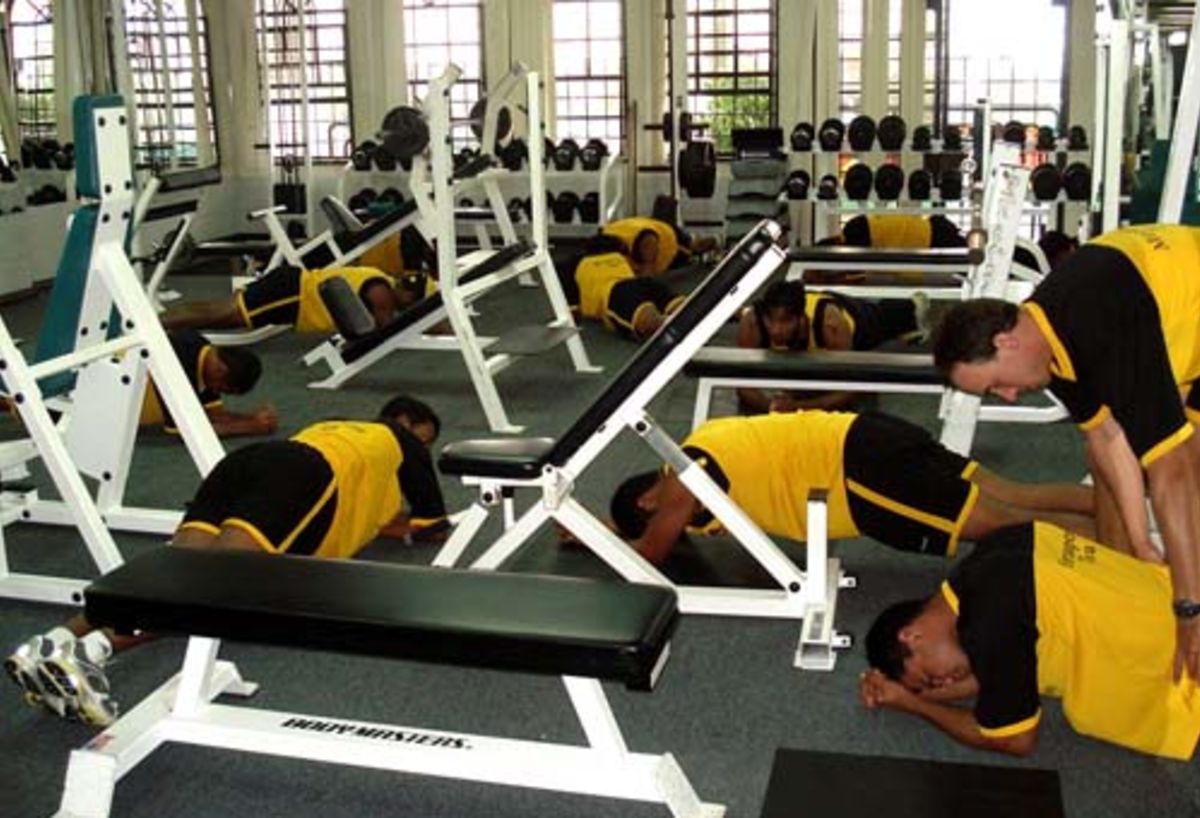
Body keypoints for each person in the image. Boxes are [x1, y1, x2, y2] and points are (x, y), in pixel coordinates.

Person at [4, 395, 447, 726]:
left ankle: (52, 640)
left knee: (174, 570)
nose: (422, 444)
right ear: (407, 421)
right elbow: (431, 524)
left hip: (248, 463)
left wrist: (378, 518)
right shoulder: (403, 440)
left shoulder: (335, 423)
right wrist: (393, 523)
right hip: (307, 477)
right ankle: (91, 651)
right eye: (424, 434)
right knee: (211, 590)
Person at [931, 224, 1200, 682]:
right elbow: (1109, 440)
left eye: (997, 384)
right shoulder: (1050, 344)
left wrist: (1189, 609)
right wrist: (1139, 541)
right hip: (1180, 329)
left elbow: (1170, 472)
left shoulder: (1099, 326)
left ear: (1005, 341)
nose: (1011, 396)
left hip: (1176, 303)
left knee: (1180, 468)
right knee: (1124, 461)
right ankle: (1128, 592)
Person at [861, 521, 1200, 760]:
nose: (946, 682)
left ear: (912, 635)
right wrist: (908, 690)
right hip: (1177, 600)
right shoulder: (995, 552)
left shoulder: (987, 625)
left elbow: (1014, 739)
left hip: (1183, 676)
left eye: (930, 677)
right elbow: (989, 672)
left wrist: (914, 704)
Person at [609, 410, 1095, 566]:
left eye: (658, 513)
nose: (681, 528)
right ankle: (1133, 507)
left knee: (1008, 527)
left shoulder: (682, 477)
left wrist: (602, 539)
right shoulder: (705, 440)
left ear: (648, 498)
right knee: (1017, 497)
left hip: (864, 476)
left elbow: (651, 551)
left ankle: (1125, 551)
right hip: (871, 434)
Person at [735, 280, 930, 413]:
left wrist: (799, 407)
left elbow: (852, 388)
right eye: (771, 320)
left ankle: (913, 306)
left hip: (854, 319)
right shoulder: (753, 322)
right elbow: (741, 383)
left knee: (884, 318)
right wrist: (770, 406)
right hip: (813, 323)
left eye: (785, 321)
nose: (776, 330)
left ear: (801, 318)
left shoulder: (830, 325)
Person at [160, 263, 403, 334]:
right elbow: (385, 329)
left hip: (291, 286)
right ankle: (157, 325)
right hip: (292, 294)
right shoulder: (381, 291)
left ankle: (161, 321)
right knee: (225, 316)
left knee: (222, 310)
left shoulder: (379, 275)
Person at [141, 328, 277, 437]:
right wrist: (249, 427)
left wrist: (252, 418)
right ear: (220, 371)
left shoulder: (203, 350)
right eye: (223, 389)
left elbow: (211, 416)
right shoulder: (178, 362)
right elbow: (188, 431)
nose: (217, 392)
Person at [556, 249, 684, 341]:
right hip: (641, 282)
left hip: (614, 293)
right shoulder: (618, 254)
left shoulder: (572, 266)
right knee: (687, 310)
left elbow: (572, 315)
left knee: (652, 325)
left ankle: (677, 330)